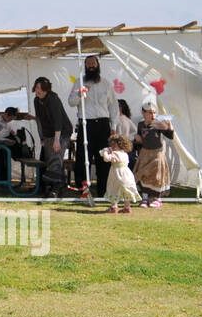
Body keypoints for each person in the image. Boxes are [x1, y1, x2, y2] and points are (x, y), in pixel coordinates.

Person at [68, 54, 119, 198]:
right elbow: (71, 102)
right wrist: (79, 93)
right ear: (85, 66)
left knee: (104, 158)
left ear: (98, 66)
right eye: (88, 64)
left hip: (103, 124)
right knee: (83, 158)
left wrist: (113, 125)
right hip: (86, 123)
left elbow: (113, 106)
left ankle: (103, 191)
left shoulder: (106, 83)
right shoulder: (80, 82)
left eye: (93, 64)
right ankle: (83, 190)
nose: (91, 66)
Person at [32, 77, 72, 198]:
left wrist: (57, 140)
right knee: (51, 159)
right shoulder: (36, 101)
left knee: (56, 157)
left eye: (41, 88)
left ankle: (56, 189)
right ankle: (50, 187)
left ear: (46, 89)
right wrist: (42, 137)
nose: (38, 91)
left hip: (62, 132)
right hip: (48, 133)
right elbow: (39, 120)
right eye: (37, 88)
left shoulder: (53, 99)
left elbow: (58, 120)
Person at [133, 98, 175, 207]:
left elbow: (170, 136)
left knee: (157, 176)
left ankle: (157, 199)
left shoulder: (158, 124)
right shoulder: (141, 125)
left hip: (157, 153)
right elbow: (141, 140)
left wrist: (168, 124)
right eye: (150, 112)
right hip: (145, 154)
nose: (153, 115)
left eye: (154, 112)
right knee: (144, 174)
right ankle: (145, 198)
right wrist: (138, 140)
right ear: (143, 113)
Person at [99, 133, 139, 213]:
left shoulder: (116, 154)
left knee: (114, 189)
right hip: (126, 174)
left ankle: (113, 206)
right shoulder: (124, 153)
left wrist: (105, 152)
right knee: (126, 190)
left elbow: (106, 159)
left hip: (117, 175)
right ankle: (127, 207)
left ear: (117, 144)